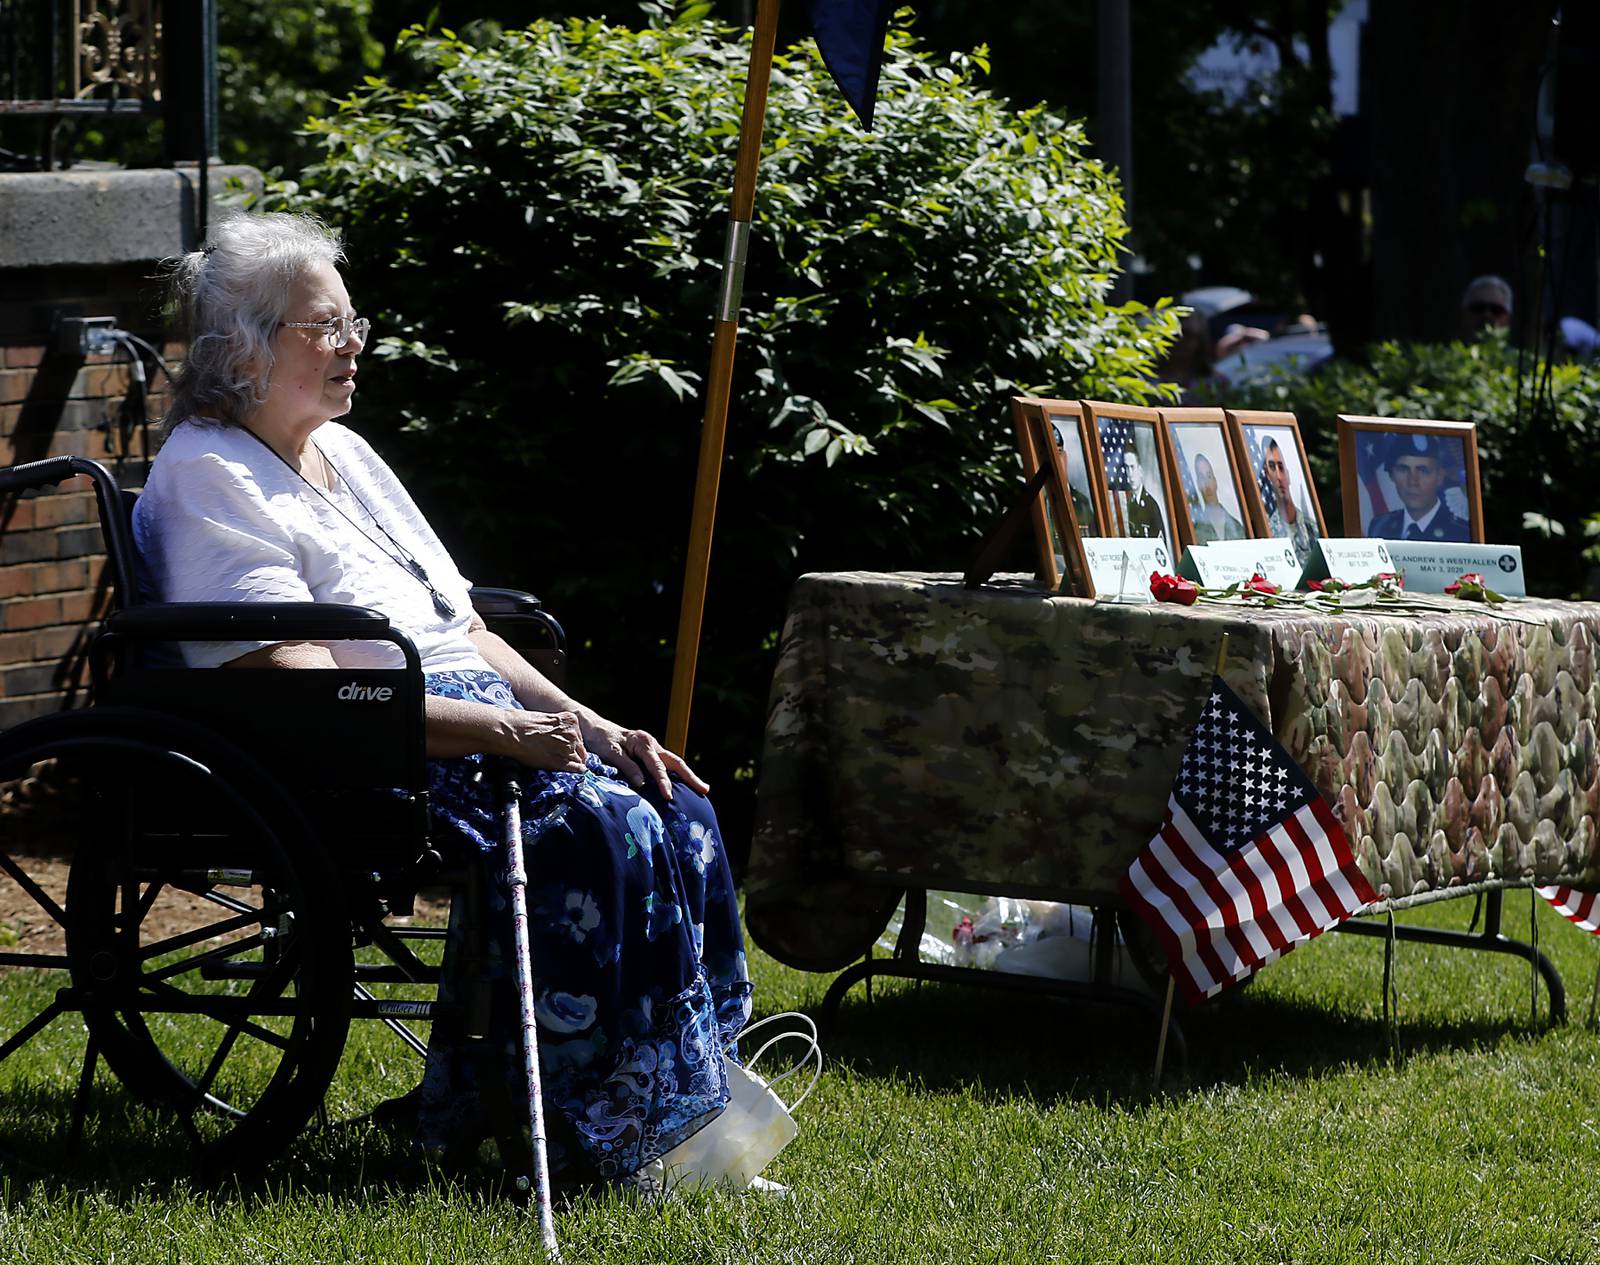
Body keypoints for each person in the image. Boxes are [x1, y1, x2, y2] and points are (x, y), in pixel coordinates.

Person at [132, 212, 754, 1194]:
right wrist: (505, 730)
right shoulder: (209, 469)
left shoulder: (351, 454)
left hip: (451, 709)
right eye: (323, 327)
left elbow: (463, 626)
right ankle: (602, 1133)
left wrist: (590, 724)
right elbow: (282, 668)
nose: (351, 347)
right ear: (244, 351)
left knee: (675, 799)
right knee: (612, 830)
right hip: (362, 736)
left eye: (353, 325)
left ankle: (692, 1115)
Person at [1367, 433, 1471, 542]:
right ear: (1392, 475)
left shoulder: (1461, 532)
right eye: (1403, 469)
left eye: (1423, 471)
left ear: (1440, 477)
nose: (1412, 481)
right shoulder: (1379, 526)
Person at [1259, 436, 1320, 564]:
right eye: (1272, 467)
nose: (1279, 477)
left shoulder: (1312, 528)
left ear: (1288, 473)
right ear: (1267, 475)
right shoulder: (1266, 530)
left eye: (1281, 468)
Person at [1189, 453, 1246, 543]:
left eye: (1209, 476)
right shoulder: (1196, 533)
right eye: (1202, 478)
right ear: (1198, 484)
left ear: (1215, 481)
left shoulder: (1236, 528)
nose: (1207, 484)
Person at [1120, 446, 1166, 543]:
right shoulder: (1126, 504)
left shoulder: (1151, 506)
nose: (1130, 473)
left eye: (1132, 467)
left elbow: (1159, 546)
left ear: (1140, 470)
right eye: (1127, 468)